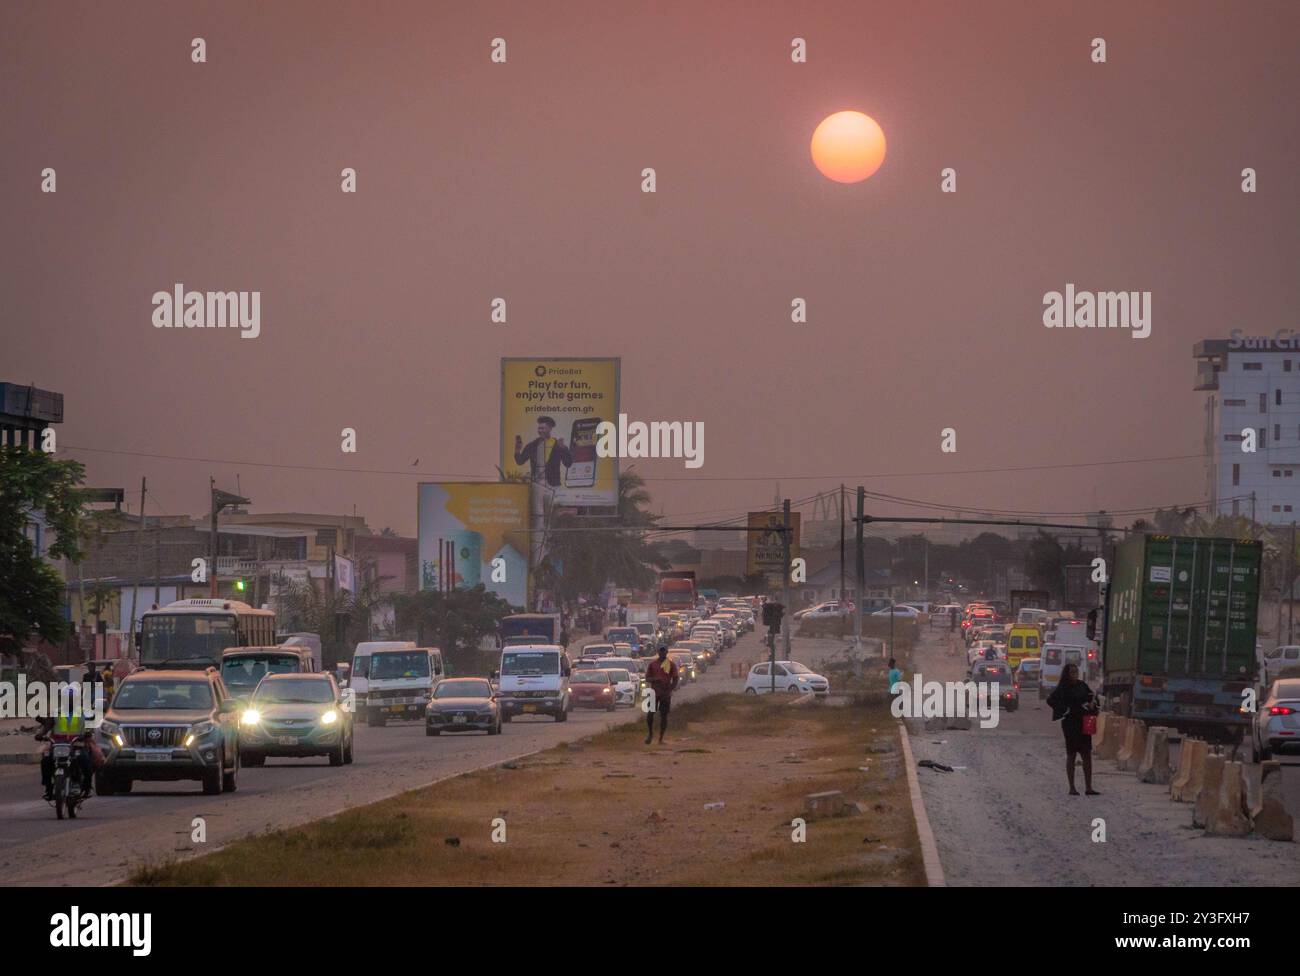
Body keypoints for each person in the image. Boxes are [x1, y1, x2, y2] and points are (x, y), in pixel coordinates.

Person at [1047, 662, 1099, 796]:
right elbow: (1051, 700)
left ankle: (1088, 787)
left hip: (1084, 722)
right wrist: (1065, 710)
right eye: (1072, 672)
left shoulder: (1082, 685)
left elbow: (1092, 697)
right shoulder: (1063, 688)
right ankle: (1072, 787)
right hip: (1070, 724)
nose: (1075, 674)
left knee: (1086, 754)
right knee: (1072, 754)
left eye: (1076, 671)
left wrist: (1092, 704)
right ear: (1067, 674)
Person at [39, 687, 95, 801]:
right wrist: (40, 734)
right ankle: (48, 787)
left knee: (85, 761)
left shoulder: (84, 712)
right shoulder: (56, 712)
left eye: (72, 699)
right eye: (67, 699)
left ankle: (86, 787)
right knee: (45, 761)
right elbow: (47, 726)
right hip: (57, 745)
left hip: (77, 745)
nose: (69, 702)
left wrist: (87, 733)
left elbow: (90, 726)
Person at [513, 416, 572, 487]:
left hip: (554, 486)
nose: (540, 431)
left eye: (543, 428)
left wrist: (564, 449)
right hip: (537, 485)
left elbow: (568, 463)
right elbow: (520, 461)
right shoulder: (532, 445)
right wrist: (517, 450)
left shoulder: (558, 445)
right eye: (539, 428)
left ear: (550, 428)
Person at [643, 645, 680, 745]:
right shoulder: (652, 664)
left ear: (667, 652)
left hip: (665, 694)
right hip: (653, 692)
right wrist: (656, 679)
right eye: (661, 651)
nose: (662, 653)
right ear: (658, 652)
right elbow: (647, 678)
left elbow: (676, 678)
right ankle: (650, 734)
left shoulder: (671, 664)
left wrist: (671, 688)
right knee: (650, 715)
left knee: (664, 716)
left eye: (664, 651)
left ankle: (661, 738)